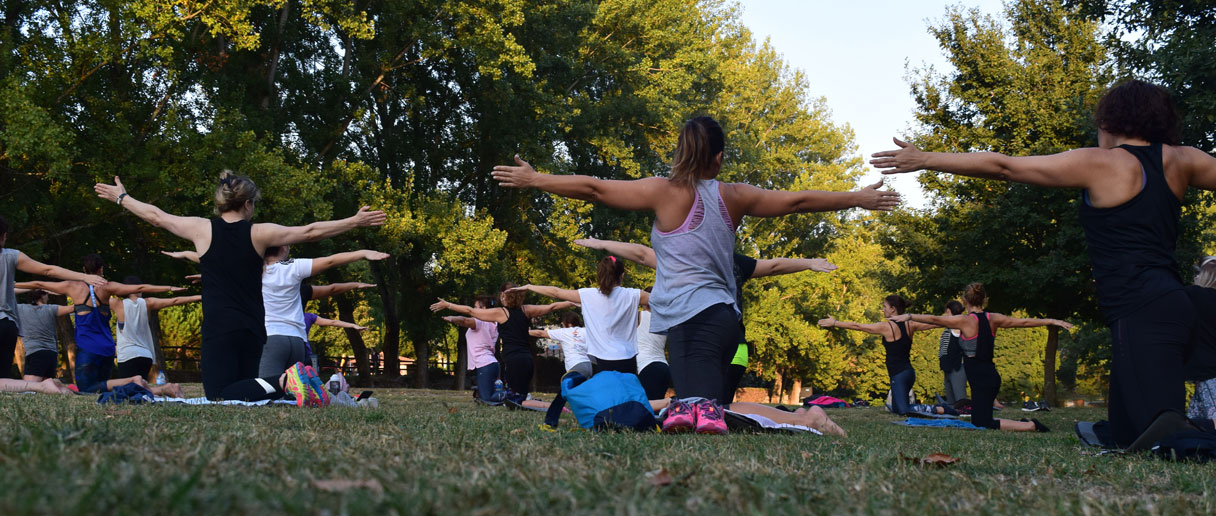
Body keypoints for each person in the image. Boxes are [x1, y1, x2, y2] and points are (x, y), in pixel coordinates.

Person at [494, 116, 896, 432]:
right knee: (699, 409)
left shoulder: (665, 191)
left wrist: (536, 179)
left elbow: (596, 189)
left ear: (680, 153)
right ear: (718, 157)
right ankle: (800, 419)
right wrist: (856, 198)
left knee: (704, 411)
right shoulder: (734, 195)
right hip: (723, 320)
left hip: (694, 321)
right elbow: (797, 201)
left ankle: (805, 419)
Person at [872, 79, 1216, 446]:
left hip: (1143, 313)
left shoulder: (1102, 162)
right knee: (1124, 433)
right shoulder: (1184, 159)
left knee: (1163, 436)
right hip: (1168, 305)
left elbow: (1005, 167)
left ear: (1110, 122)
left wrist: (926, 159)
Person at [95, 171, 386, 402]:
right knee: (248, 393)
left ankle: (288, 380)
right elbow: (310, 232)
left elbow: (156, 217)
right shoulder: (260, 233)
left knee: (220, 394)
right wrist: (354, 221)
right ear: (247, 204)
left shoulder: (201, 229)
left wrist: (123, 198)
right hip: (253, 328)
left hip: (221, 327)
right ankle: (308, 386)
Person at [574, 237, 838, 401]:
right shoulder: (736, 262)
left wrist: (603, 244)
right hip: (737, 344)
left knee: (704, 402)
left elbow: (643, 254)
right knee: (720, 403)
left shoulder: (686, 261)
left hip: (704, 343)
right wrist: (808, 262)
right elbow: (774, 266)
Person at [890, 283, 1073, 432]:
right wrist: (1052, 320)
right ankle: (1023, 423)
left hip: (982, 380)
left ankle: (1031, 425)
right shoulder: (993, 318)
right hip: (987, 377)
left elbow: (935, 319)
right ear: (984, 300)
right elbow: (1024, 322)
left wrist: (909, 316)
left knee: (982, 423)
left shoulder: (964, 320)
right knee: (980, 419)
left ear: (964, 300)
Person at [16, 254, 187, 394]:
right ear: (101, 269)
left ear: (84, 270)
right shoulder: (108, 287)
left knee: (86, 389)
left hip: (88, 349)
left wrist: (13, 284)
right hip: (107, 348)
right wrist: (170, 287)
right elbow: (139, 287)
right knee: (104, 388)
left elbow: (39, 284)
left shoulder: (72, 286)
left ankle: (134, 381)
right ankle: (147, 386)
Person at [0, 215, 106, 379]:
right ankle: (46, 386)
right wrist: (84, 277)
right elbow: (48, 270)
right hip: (6, 324)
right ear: (3, 236)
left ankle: (43, 386)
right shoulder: (11, 256)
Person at [430, 284, 576, 401]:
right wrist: (571, 301)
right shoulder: (527, 310)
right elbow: (552, 307)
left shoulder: (501, 313)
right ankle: (535, 402)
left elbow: (470, 311)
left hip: (514, 360)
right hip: (528, 359)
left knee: (516, 399)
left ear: (504, 297)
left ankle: (551, 407)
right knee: (521, 396)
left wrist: (448, 305)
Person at [509, 256, 649, 375]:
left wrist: (529, 286)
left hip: (602, 359)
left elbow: (556, 292)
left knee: (608, 399)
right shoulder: (634, 294)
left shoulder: (587, 295)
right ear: (622, 275)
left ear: (599, 275)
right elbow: (662, 300)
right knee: (627, 398)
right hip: (627, 357)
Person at [818, 295, 946, 416]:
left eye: (885, 306)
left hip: (899, 375)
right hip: (908, 373)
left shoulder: (887, 326)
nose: (883, 309)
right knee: (896, 409)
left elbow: (858, 326)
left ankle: (940, 408)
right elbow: (934, 323)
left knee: (903, 410)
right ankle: (931, 408)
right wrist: (950, 319)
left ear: (892, 309)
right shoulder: (911, 324)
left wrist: (835, 323)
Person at [442, 295, 502, 403]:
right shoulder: (494, 323)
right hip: (491, 364)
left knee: (487, 398)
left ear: (483, 309)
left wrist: (452, 318)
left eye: (475, 307)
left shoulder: (480, 322)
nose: (474, 310)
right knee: (484, 396)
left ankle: (515, 396)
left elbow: (464, 320)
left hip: (485, 364)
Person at [1184, 256, 1216, 428]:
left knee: (1204, 422)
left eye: (1198, 273)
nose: (1195, 277)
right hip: (1205, 374)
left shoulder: (1196, 295)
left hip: (1209, 373)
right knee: (1196, 421)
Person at [16, 289, 73, 382]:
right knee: (46, 387)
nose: (48, 296)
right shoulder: (52, 309)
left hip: (35, 352)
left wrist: (29, 287)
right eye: (47, 294)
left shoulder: (20, 309)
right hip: (52, 354)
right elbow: (75, 307)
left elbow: (5, 294)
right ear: (42, 296)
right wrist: (63, 291)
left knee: (29, 388)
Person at [528, 311, 591, 380]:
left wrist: (524, 331)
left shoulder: (564, 332)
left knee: (571, 389)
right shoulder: (585, 331)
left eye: (563, 322)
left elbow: (540, 333)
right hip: (588, 365)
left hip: (575, 365)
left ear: (569, 324)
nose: (562, 323)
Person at [937, 300, 968, 405]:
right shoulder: (949, 327)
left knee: (960, 399)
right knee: (951, 401)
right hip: (947, 368)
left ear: (949, 311)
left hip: (956, 367)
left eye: (947, 312)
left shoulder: (957, 327)